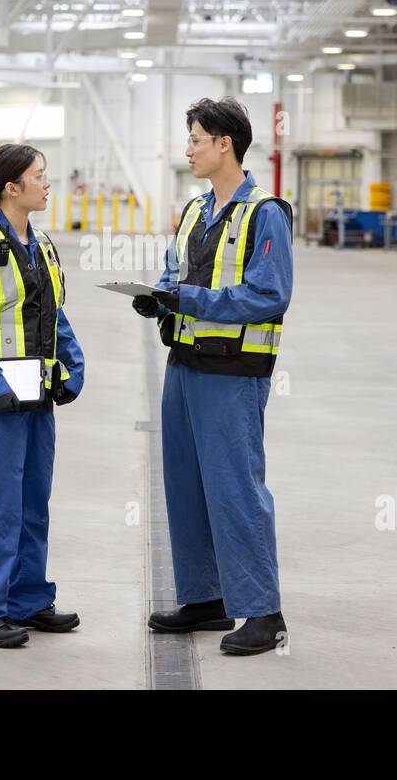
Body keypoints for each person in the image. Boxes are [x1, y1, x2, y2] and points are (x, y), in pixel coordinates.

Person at [133, 97, 294, 656]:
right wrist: (159, 299)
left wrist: (189, 299)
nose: (189, 150)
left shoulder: (265, 212)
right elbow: (174, 274)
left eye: (196, 139)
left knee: (234, 489)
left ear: (225, 143)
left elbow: (270, 294)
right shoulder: (196, 212)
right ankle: (206, 598)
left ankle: (263, 611)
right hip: (184, 365)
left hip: (233, 372)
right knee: (185, 485)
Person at [0, 143, 85, 648]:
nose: (47, 183)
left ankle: (27, 601)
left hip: (37, 400)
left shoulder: (43, 246)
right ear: (12, 188)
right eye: (39, 175)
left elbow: (56, 316)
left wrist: (73, 367)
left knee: (31, 502)